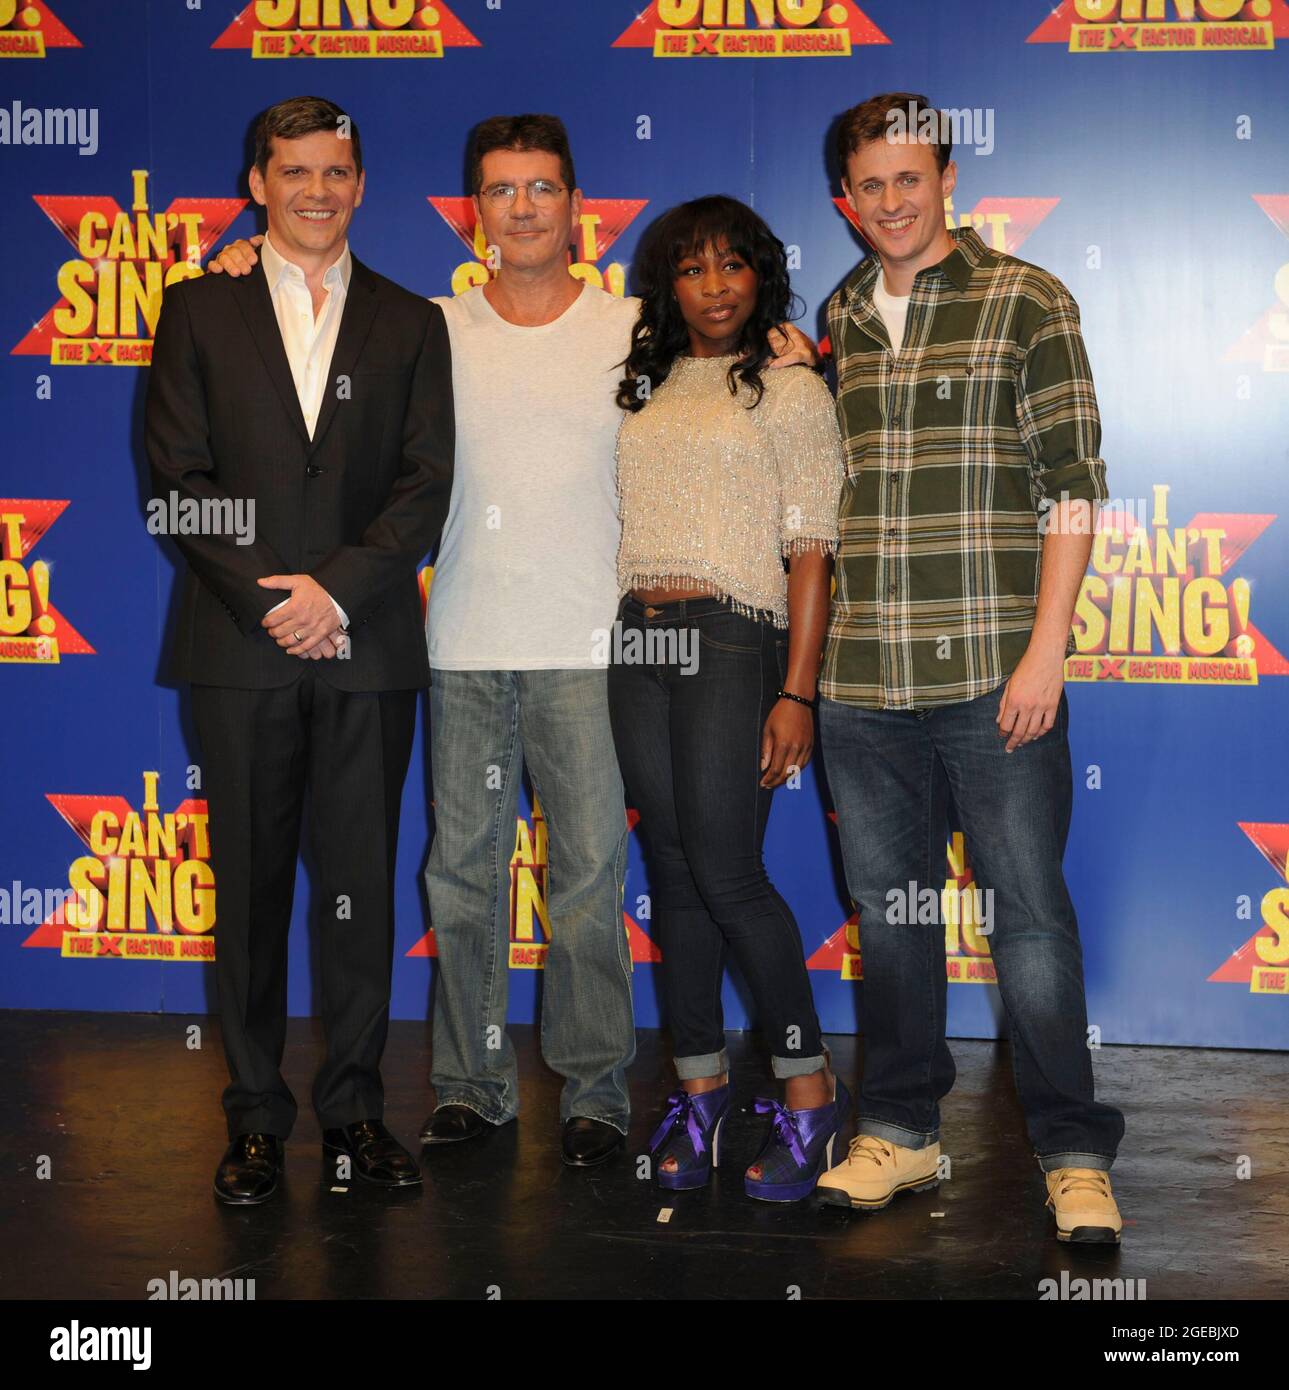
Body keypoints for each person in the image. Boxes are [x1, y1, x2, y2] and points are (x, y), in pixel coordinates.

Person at [209, 115, 818, 1169]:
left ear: (575, 205)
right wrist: (236, 254)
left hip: (598, 653)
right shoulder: (421, 327)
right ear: (473, 211)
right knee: (462, 878)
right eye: (501, 190)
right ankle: (471, 1085)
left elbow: (743, 356)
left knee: (588, 879)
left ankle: (591, 1091)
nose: (524, 208)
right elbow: (295, 309)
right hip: (460, 645)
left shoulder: (639, 326)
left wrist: (788, 339)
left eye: (542, 188)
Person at [813, 92, 1126, 1242]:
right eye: (869, 185)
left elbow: (1073, 485)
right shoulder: (838, 313)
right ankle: (899, 1130)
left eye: (910, 179)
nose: (890, 203)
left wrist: (1046, 650)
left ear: (944, 178)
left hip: (998, 670)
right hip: (860, 684)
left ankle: (1073, 1150)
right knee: (888, 920)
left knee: (1029, 918)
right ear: (845, 199)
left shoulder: (1027, 298)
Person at [148, 95, 454, 1204]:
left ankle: (356, 1114)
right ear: (257, 183)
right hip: (239, 649)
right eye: (294, 171)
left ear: (362, 184)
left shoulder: (412, 321)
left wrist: (337, 590)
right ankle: (254, 1122)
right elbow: (173, 487)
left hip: (366, 646)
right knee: (248, 893)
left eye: (336, 171)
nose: (316, 190)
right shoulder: (195, 308)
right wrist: (274, 599)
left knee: (359, 891)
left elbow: (426, 485)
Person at [610, 197, 847, 1201]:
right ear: (669, 285)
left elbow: (810, 552)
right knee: (669, 874)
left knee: (724, 868)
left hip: (731, 634)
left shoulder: (789, 389)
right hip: (634, 637)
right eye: (691, 270)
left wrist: (796, 690)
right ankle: (699, 1088)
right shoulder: (645, 382)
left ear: (760, 278)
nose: (712, 287)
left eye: (731, 267)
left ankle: (805, 1094)